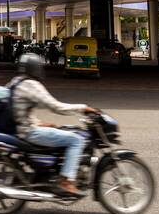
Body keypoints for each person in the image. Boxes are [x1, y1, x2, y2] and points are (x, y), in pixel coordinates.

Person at [11, 51, 96, 198]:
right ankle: (65, 181)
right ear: (35, 68)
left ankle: (53, 173)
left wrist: (41, 123)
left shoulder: (15, 82)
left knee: (61, 131)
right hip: (28, 132)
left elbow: (21, 111)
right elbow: (56, 107)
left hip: (20, 128)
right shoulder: (31, 84)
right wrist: (83, 108)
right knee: (76, 140)